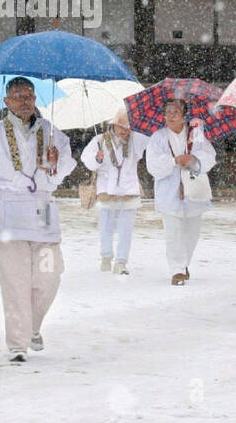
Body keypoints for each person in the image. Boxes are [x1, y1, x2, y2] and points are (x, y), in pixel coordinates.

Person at [0, 76, 76, 362]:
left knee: (48, 277)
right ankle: (18, 343)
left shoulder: (49, 131)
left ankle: (33, 327)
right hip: (10, 212)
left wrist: (57, 164)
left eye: (29, 95)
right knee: (15, 282)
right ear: (6, 101)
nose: (25, 101)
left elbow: (67, 163)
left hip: (42, 211)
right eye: (18, 96)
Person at [144, 98, 216, 286]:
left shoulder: (196, 134)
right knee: (173, 232)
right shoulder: (158, 137)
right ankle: (176, 269)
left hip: (193, 189)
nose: (172, 115)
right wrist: (174, 161)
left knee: (192, 233)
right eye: (168, 111)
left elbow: (210, 156)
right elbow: (152, 165)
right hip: (169, 192)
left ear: (184, 114)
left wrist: (193, 159)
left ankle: (184, 264)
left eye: (176, 111)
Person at [80, 110, 146, 275]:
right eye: (121, 126)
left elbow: (148, 140)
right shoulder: (99, 140)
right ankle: (106, 256)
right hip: (107, 189)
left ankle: (122, 261)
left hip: (129, 189)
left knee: (126, 229)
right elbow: (86, 160)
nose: (124, 130)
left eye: (127, 126)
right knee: (106, 227)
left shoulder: (135, 140)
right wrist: (97, 158)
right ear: (114, 125)